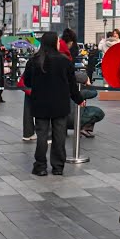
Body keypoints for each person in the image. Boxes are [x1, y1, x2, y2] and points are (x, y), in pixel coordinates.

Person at [21, 32, 85, 176]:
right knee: (59, 135)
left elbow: (27, 82)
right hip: (60, 104)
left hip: (40, 104)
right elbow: (72, 85)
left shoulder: (34, 61)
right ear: (54, 43)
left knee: (42, 136)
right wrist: (79, 99)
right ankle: (58, 167)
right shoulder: (64, 61)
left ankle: (40, 166)